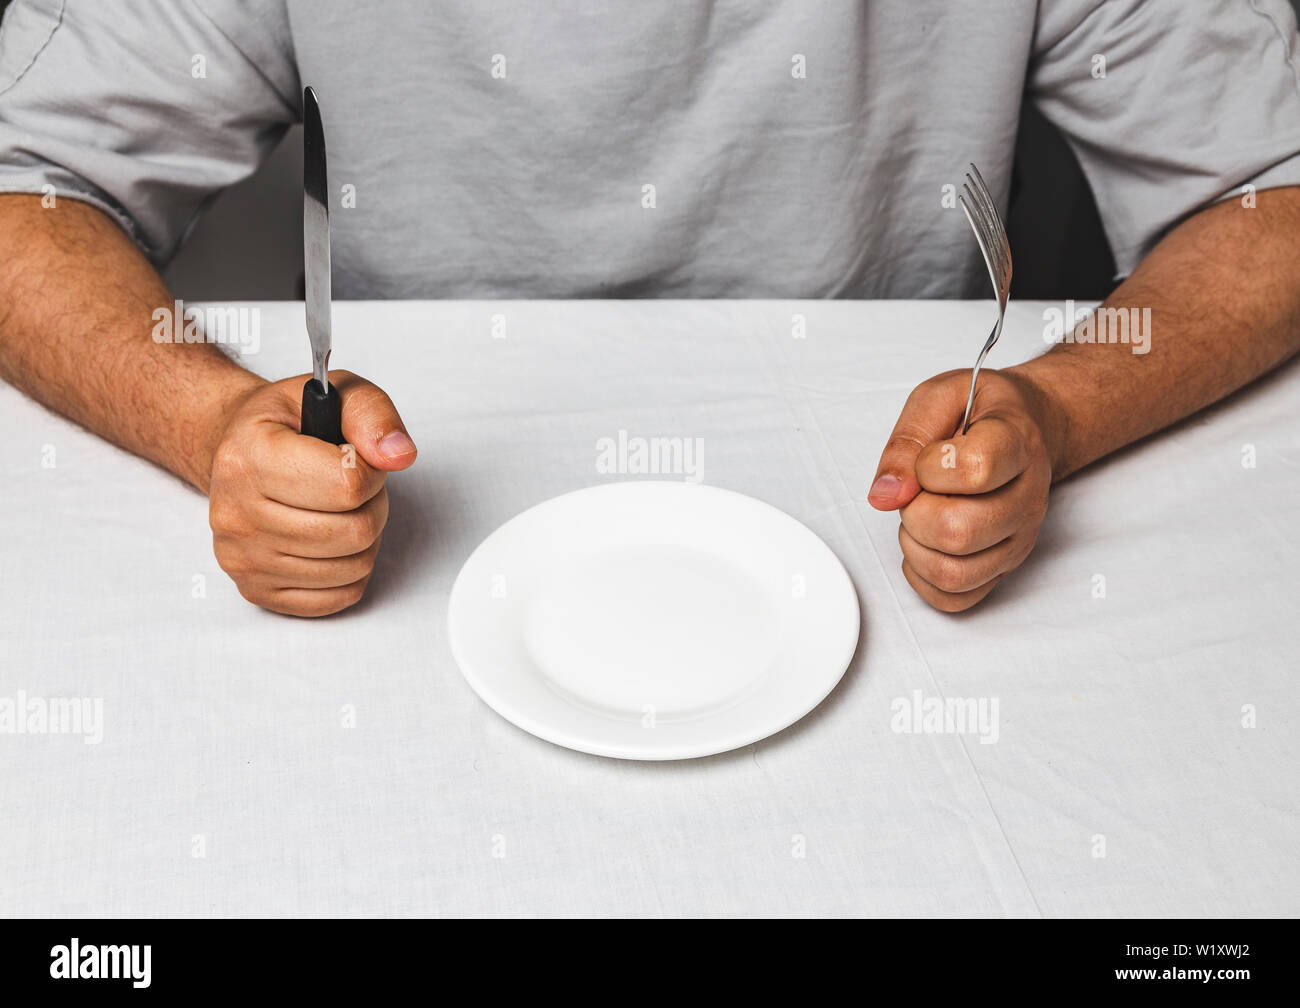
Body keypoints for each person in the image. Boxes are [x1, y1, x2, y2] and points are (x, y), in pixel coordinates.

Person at [1, 0, 1298, 616]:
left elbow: (1275, 193)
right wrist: (214, 424)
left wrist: (1057, 410)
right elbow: (24, 188)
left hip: (888, 535)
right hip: (400, 537)